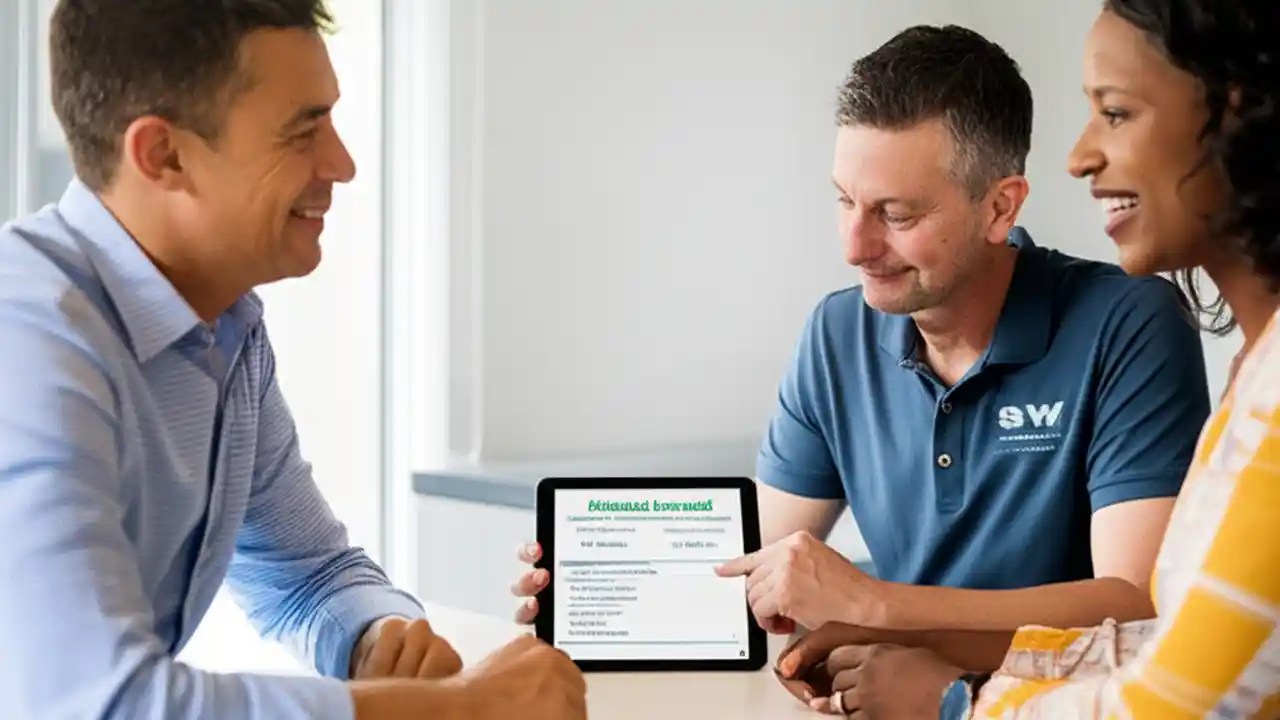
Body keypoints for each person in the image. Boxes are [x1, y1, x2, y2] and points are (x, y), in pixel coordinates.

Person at [512, 23, 1210, 676]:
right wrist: (605, 594)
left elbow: (1134, 607)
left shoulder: (1129, 322)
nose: (854, 246)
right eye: (845, 200)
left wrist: (877, 609)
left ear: (1001, 207)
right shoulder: (836, 335)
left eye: (896, 215)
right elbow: (752, 577)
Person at [0, 2, 585, 719]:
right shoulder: (28, 338)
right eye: (303, 131)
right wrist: (466, 708)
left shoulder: (223, 330)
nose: (341, 163)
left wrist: (376, 634)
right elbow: (99, 704)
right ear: (164, 154)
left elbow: (307, 576)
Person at [779, 1, 1280, 716]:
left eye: (1114, 112)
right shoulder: (1255, 379)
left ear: (1237, 119)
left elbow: (1164, 695)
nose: (1078, 157)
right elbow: (1157, 651)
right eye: (845, 202)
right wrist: (887, 636)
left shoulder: (1161, 336)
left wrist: (953, 698)